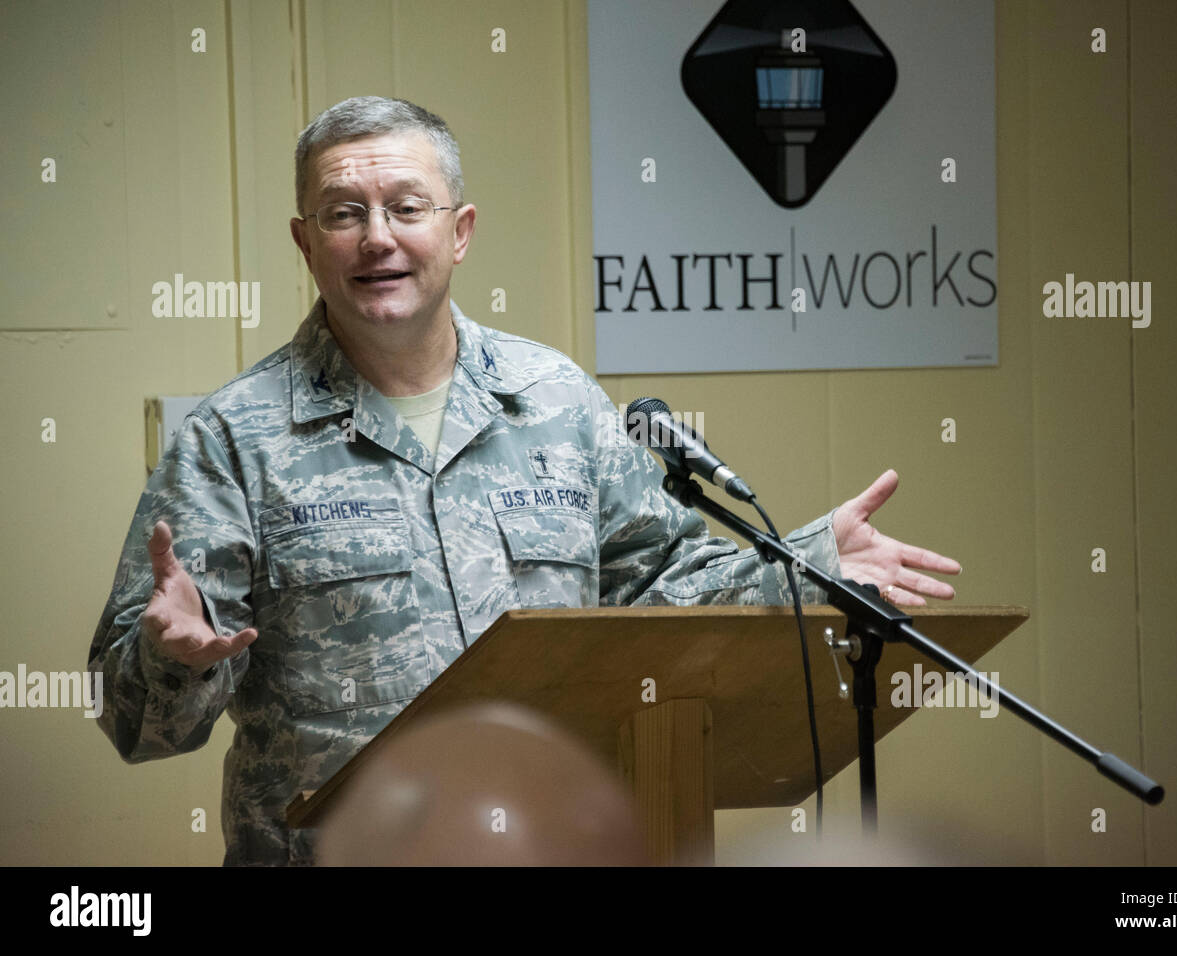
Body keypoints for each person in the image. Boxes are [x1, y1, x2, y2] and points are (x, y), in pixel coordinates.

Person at [88, 96, 961, 865]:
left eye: (405, 207)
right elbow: (136, 725)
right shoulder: (233, 439)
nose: (377, 236)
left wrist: (807, 560)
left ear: (460, 231)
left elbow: (662, 590)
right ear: (305, 242)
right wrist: (167, 660)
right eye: (343, 212)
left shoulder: (555, 402)